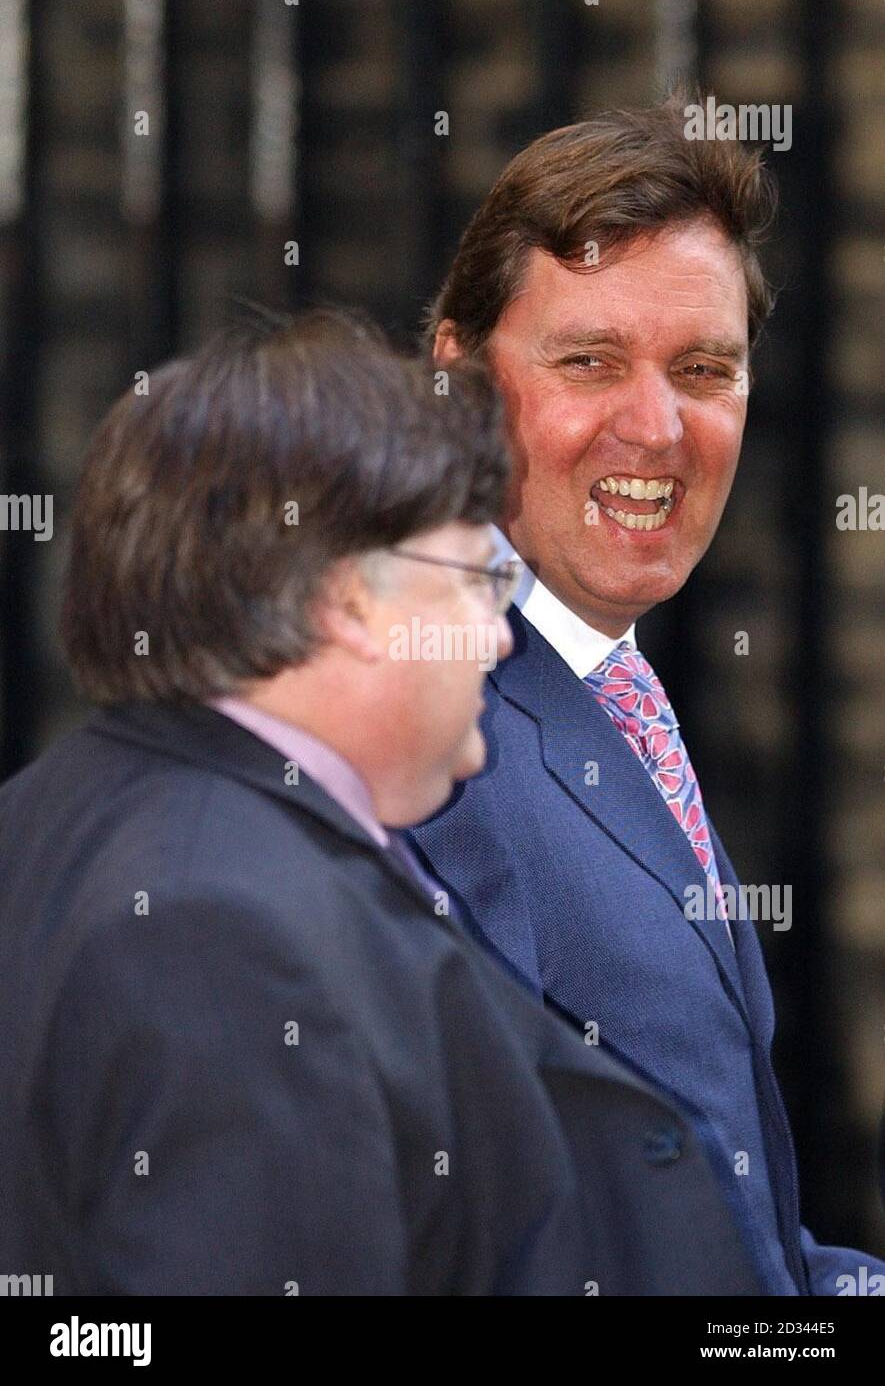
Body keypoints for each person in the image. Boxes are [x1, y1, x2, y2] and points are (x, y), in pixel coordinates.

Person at [0, 310, 766, 1295]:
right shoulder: (224, 925)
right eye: (481, 578)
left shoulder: (65, 818)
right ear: (348, 603)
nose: (498, 637)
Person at [407, 89, 885, 1296]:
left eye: (704, 368)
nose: (657, 426)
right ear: (456, 377)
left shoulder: (610, 681)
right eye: (590, 361)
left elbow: (741, 1241)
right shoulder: (429, 733)